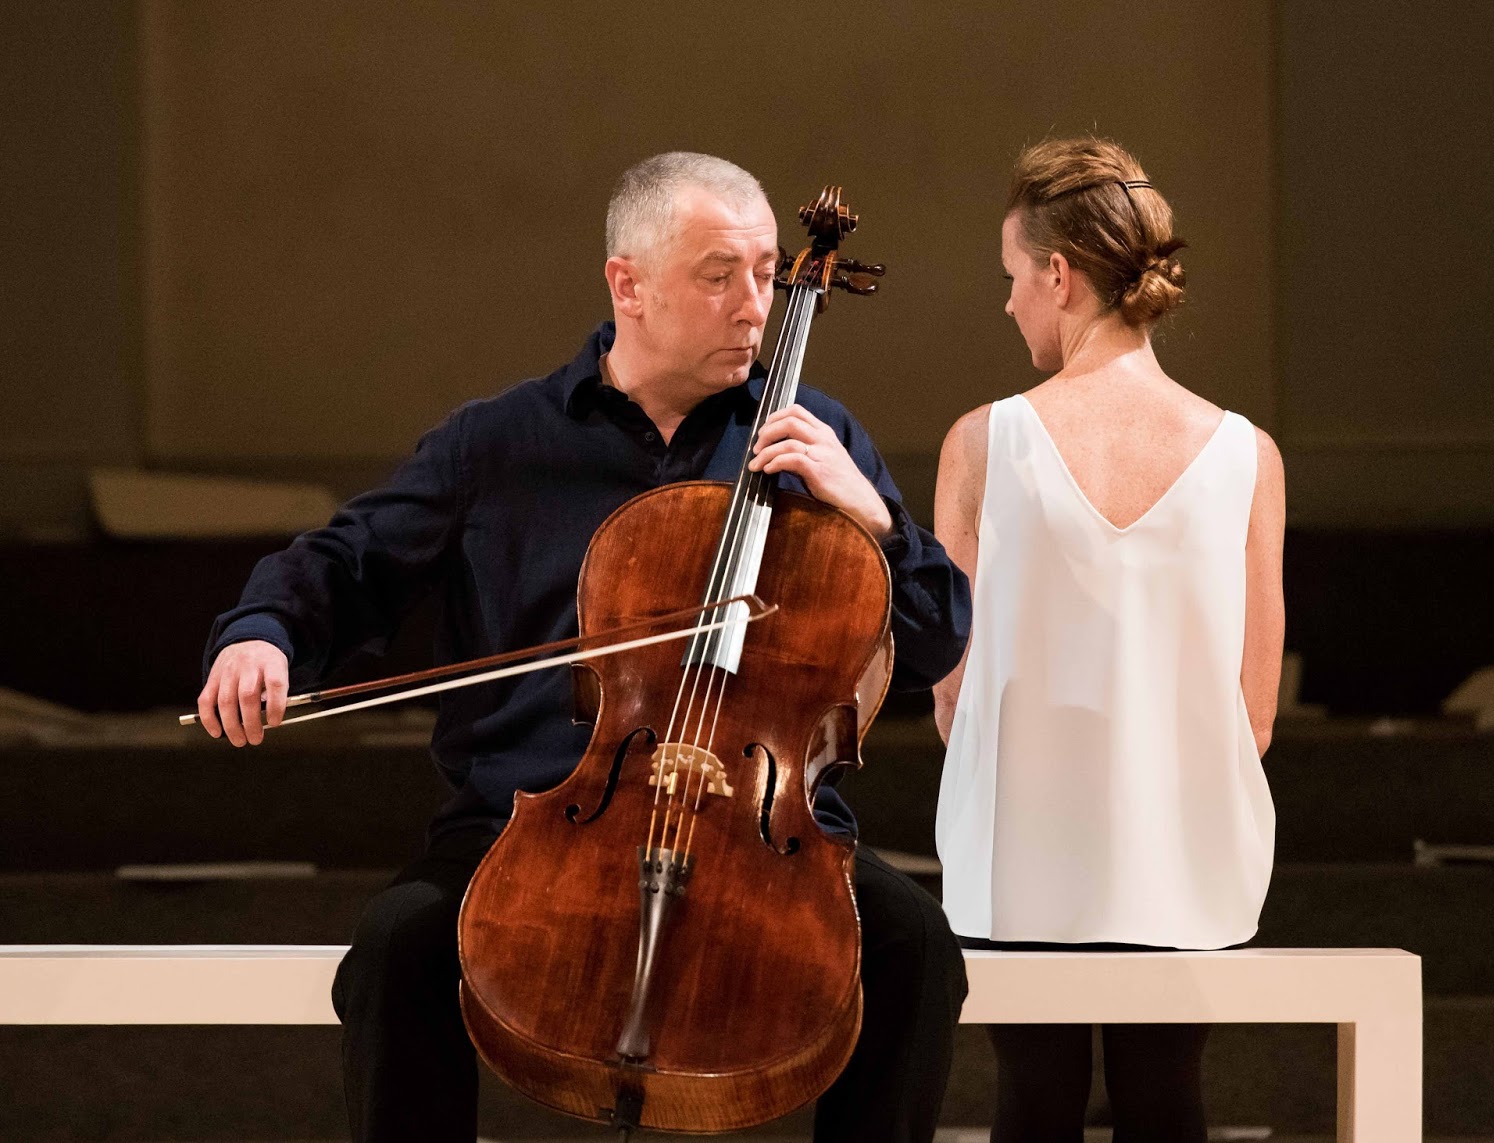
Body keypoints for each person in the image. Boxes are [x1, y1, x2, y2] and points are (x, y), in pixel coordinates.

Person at [195, 152, 971, 1143]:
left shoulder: (812, 442)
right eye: (718, 274)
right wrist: (261, 637)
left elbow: (937, 632)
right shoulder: (498, 445)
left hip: (758, 832)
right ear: (628, 284)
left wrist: (871, 519)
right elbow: (346, 564)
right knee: (395, 953)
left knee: (912, 945)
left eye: (769, 273)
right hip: (530, 827)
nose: (755, 307)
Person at [931, 137, 1285, 1143]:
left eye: (1012, 278)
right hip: (1185, 856)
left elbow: (953, 698)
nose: (1008, 305)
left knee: (1031, 1101)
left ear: (1058, 272)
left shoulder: (981, 442)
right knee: (1167, 1098)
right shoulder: (1246, 454)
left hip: (1023, 854)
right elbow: (1253, 715)